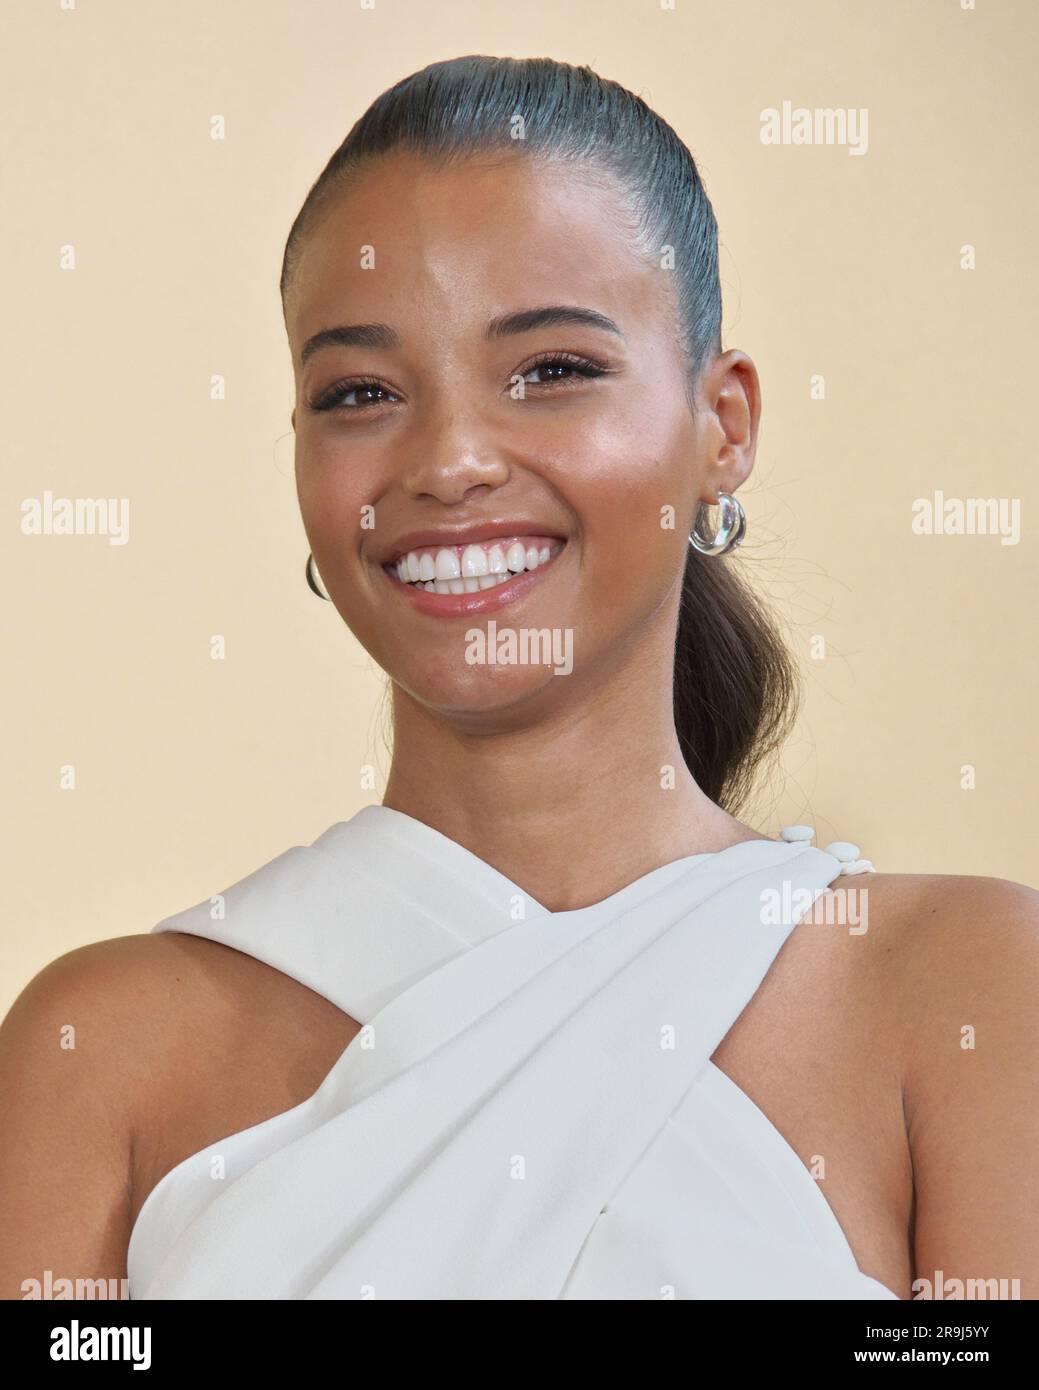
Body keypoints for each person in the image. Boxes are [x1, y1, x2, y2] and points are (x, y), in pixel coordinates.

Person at [2, 55, 1037, 1302]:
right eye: (362, 392)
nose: (447, 462)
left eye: (552, 370)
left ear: (723, 427)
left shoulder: (969, 988)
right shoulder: (97, 1053)